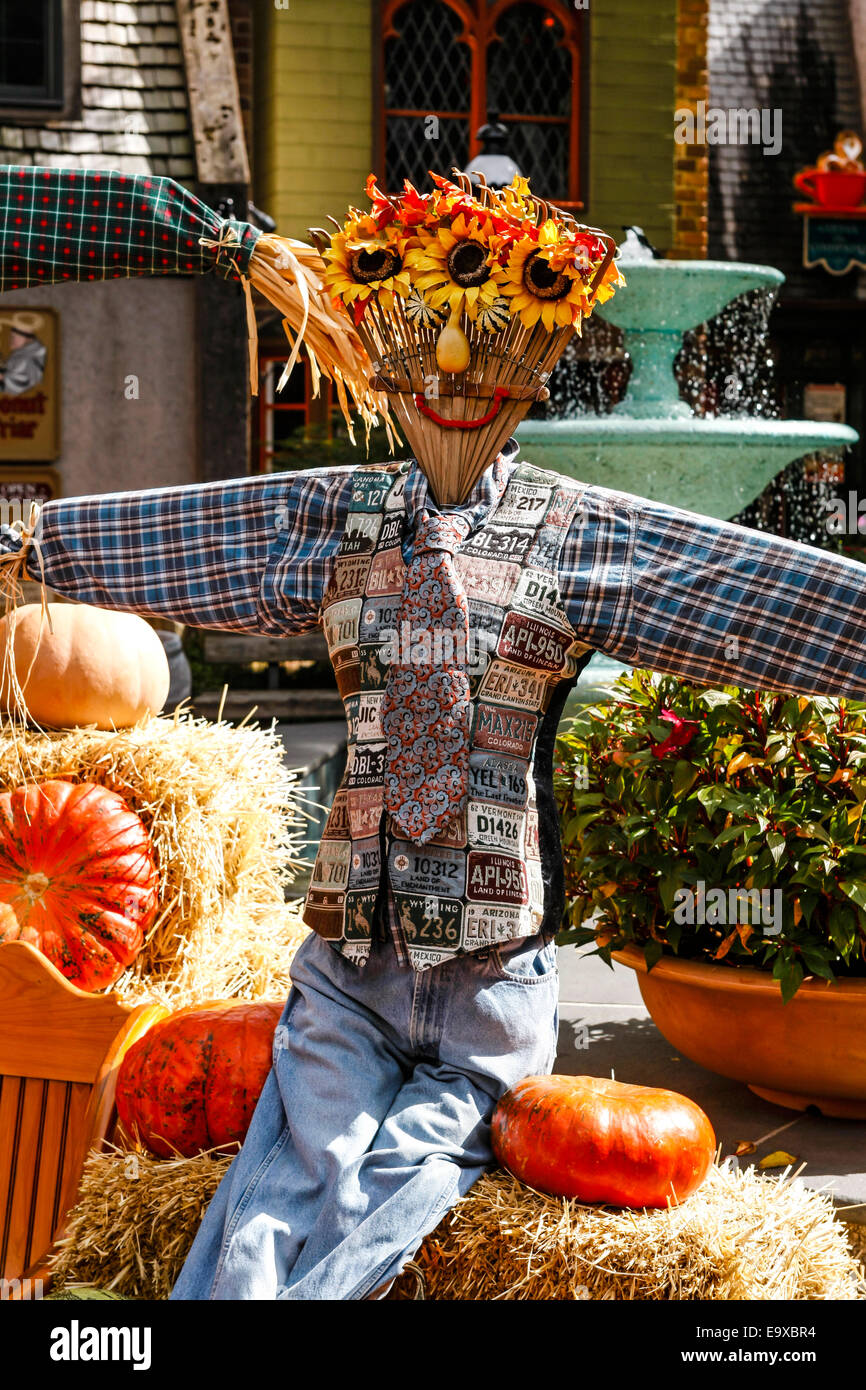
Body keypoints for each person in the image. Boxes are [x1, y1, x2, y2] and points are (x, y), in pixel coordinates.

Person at [2, 166, 866, 1301]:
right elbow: (202, 532)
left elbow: (731, 586)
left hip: (489, 973)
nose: (455, 375)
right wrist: (34, 546)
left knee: (410, 1172)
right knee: (285, 1174)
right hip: (350, 959)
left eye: (486, 350)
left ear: (531, 366)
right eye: (432, 348)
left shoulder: (572, 532)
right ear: (394, 359)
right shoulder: (337, 517)